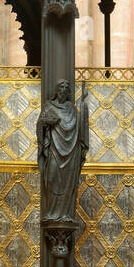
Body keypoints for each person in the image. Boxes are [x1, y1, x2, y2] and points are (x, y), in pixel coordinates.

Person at [36, 79, 89, 221]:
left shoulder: (72, 108)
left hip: (71, 152)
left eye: (66, 88)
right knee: (51, 179)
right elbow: (40, 123)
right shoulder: (48, 106)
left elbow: (80, 124)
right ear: (56, 90)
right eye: (61, 87)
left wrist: (83, 102)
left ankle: (65, 215)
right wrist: (46, 122)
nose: (63, 90)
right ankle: (51, 214)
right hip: (54, 150)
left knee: (68, 183)